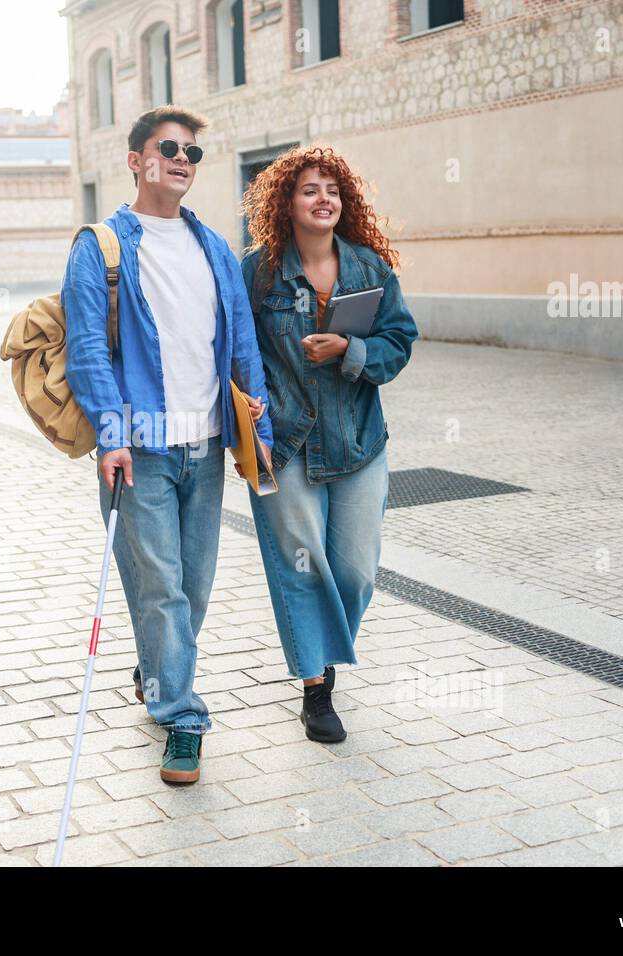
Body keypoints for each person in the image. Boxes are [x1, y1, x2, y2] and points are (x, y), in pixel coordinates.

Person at [63, 106, 273, 786]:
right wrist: (111, 436)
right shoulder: (100, 245)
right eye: (169, 147)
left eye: (193, 152)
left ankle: (157, 668)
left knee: (193, 586)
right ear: (136, 159)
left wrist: (257, 440)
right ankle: (182, 718)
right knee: (160, 588)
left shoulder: (213, 246)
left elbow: (241, 343)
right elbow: (88, 345)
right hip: (140, 451)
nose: (183, 159)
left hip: (205, 446)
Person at [239, 145, 418, 743]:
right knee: (301, 565)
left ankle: (325, 660)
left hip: (359, 442)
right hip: (284, 443)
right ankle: (316, 690)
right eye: (310, 189)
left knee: (356, 570)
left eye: (333, 191)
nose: (324, 199)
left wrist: (353, 352)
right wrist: (245, 404)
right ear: (286, 203)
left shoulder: (369, 270)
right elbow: (233, 347)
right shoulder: (258, 272)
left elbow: (400, 340)